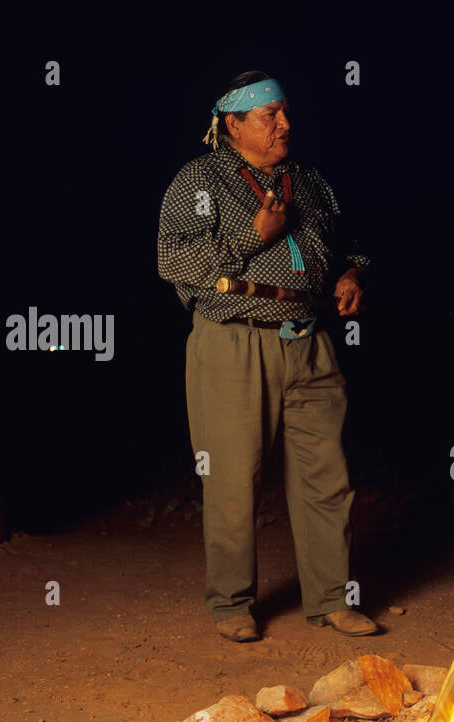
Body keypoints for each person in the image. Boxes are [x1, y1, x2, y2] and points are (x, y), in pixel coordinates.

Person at [158, 71, 378, 642]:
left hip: (310, 337)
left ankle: (331, 598)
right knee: (233, 477)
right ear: (233, 124)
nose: (286, 124)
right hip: (235, 338)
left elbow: (349, 243)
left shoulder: (310, 182)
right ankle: (231, 603)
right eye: (270, 115)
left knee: (327, 477)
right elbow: (171, 258)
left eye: (285, 113)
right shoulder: (199, 181)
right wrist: (255, 234)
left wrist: (352, 273)